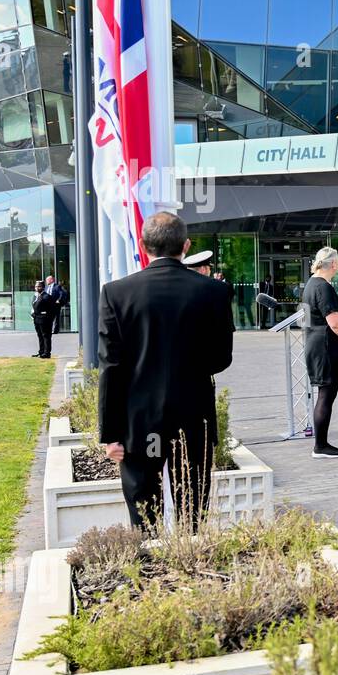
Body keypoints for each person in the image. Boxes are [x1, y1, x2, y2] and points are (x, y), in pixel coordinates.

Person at [97, 212, 234, 532]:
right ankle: (191, 573)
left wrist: (110, 434)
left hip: (139, 425)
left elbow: (111, 368)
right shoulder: (214, 292)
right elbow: (221, 359)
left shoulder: (116, 293)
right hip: (193, 420)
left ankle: (147, 577)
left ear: (143, 246)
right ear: (186, 246)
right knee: (192, 516)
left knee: (144, 519)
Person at [302, 247, 338, 458]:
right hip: (325, 347)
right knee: (326, 396)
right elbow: (335, 323)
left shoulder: (311, 284)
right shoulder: (323, 287)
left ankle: (321, 444)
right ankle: (321, 446)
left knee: (325, 395)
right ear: (333, 264)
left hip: (316, 345)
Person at [30, 280, 57, 359]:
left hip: (45, 320)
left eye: (39, 286)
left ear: (43, 287)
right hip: (37, 319)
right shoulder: (35, 296)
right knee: (40, 336)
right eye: (36, 286)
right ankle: (41, 351)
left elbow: (53, 310)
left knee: (46, 336)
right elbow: (34, 307)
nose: (37, 288)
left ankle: (47, 353)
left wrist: (49, 319)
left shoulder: (46, 296)